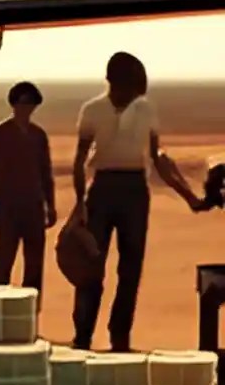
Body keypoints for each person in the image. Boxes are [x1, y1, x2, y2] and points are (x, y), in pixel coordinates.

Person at [71, 52, 202, 351]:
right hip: (102, 188)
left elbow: (158, 158)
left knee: (131, 269)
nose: (131, 94)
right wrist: (80, 204)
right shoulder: (92, 110)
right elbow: (80, 160)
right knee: (91, 267)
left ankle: (120, 337)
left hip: (134, 190)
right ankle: (83, 336)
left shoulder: (146, 110)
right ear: (113, 82)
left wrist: (189, 195)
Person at [0, 81, 56, 296]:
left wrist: (50, 205)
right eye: (23, 103)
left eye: (31, 104)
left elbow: (46, 172)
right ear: (14, 104)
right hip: (9, 208)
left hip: (34, 207)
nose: (27, 108)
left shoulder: (39, 135)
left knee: (34, 264)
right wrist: (1, 207)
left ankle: (31, 313)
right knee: (5, 260)